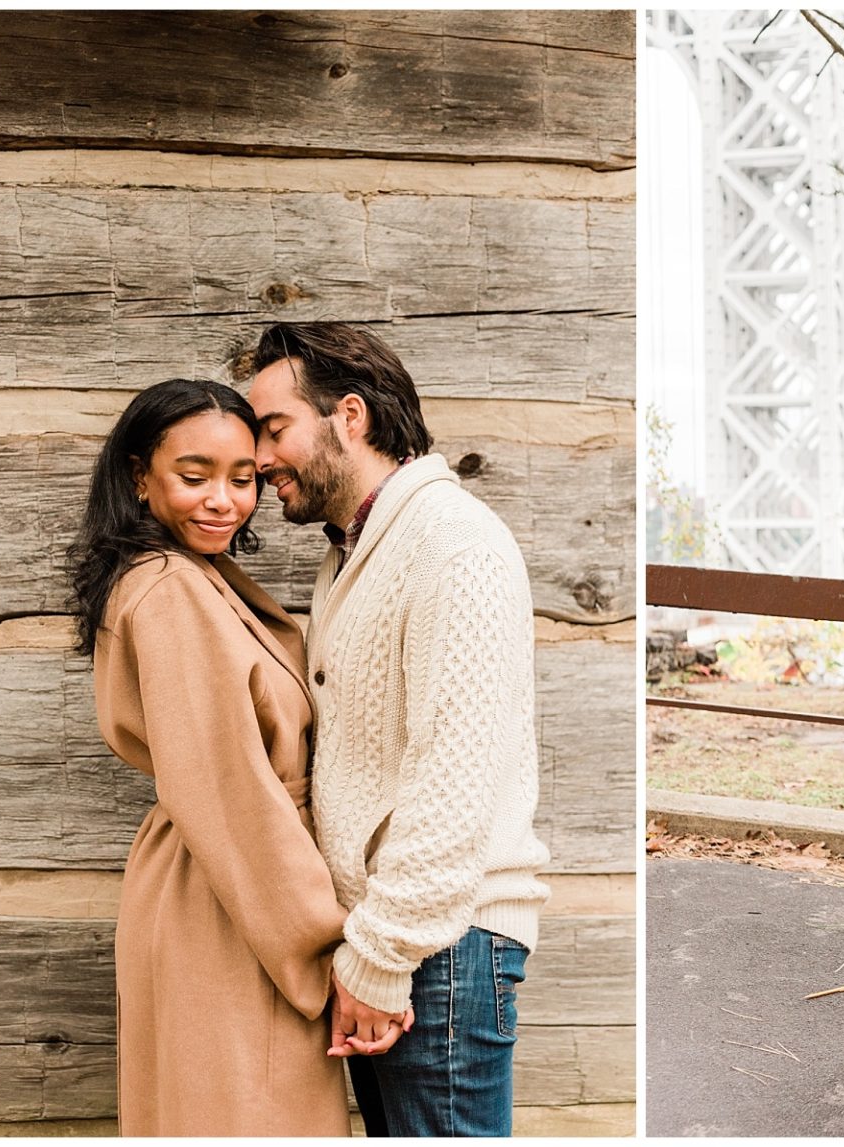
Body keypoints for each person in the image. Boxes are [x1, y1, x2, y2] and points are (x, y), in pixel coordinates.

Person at [246, 322, 551, 1137]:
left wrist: (381, 956)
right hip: (399, 941)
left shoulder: (453, 544)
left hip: (438, 949)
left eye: (275, 429)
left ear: (351, 416)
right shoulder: (354, 551)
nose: (261, 458)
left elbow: (452, 782)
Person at [69, 379, 351, 1136]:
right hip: (236, 900)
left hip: (221, 885)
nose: (223, 500)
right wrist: (327, 952)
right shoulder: (169, 590)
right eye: (194, 478)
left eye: (243, 478)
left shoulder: (193, 575)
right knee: (249, 1112)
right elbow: (228, 792)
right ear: (139, 476)